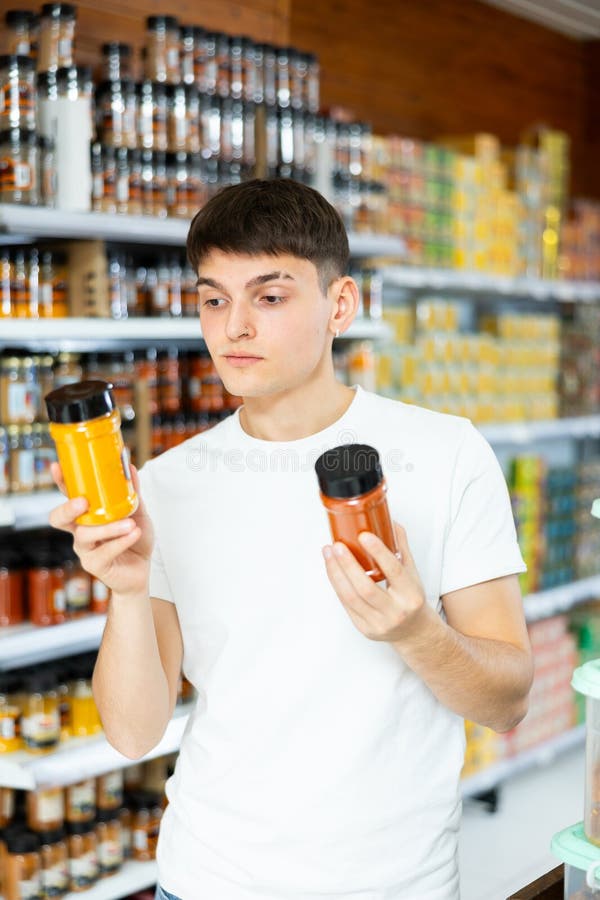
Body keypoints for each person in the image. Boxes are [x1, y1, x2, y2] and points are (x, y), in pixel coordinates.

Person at [49, 178, 533, 900]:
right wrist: (124, 591)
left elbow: (508, 701)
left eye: (269, 297)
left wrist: (416, 633)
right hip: (207, 880)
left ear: (341, 304)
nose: (234, 328)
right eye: (214, 300)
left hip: (394, 886)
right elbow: (132, 733)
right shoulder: (167, 484)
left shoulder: (446, 453)